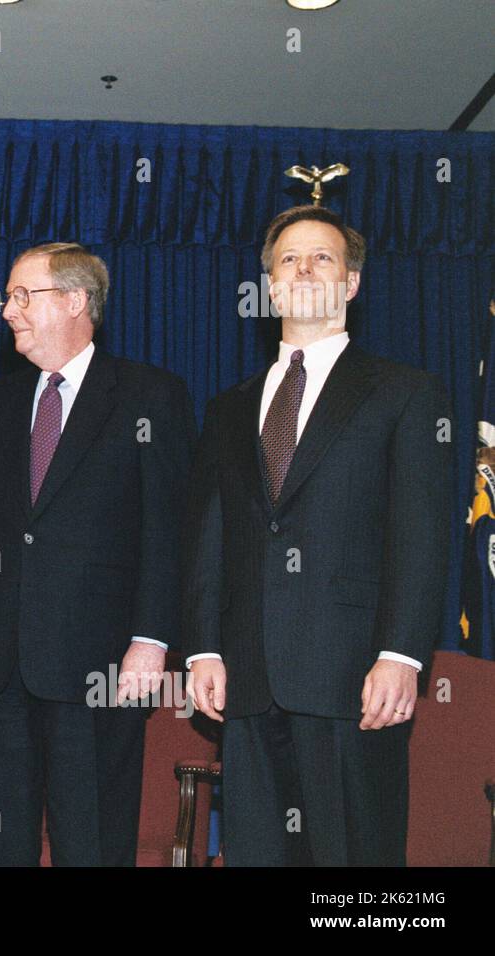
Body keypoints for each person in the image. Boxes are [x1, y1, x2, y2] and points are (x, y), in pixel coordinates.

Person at [182, 205, 452, 865]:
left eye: (323, 258)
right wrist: (202, 649)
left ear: (351, 284)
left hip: (353, 675)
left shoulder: (404, 393)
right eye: (289, 260)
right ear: (270, 286)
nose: (304, 269)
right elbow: (209, 536)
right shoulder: (228, 407)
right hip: (246, 679)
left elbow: (421, 532)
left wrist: (402, 655)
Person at [0, 242, 196, 866]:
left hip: (101, 666)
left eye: (25, 296)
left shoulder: (148, 397)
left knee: (93, 840)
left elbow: (171, 531)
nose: (8, 310)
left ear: (77, 301)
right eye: (9, 296)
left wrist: (152, 639)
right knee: (1, 844)